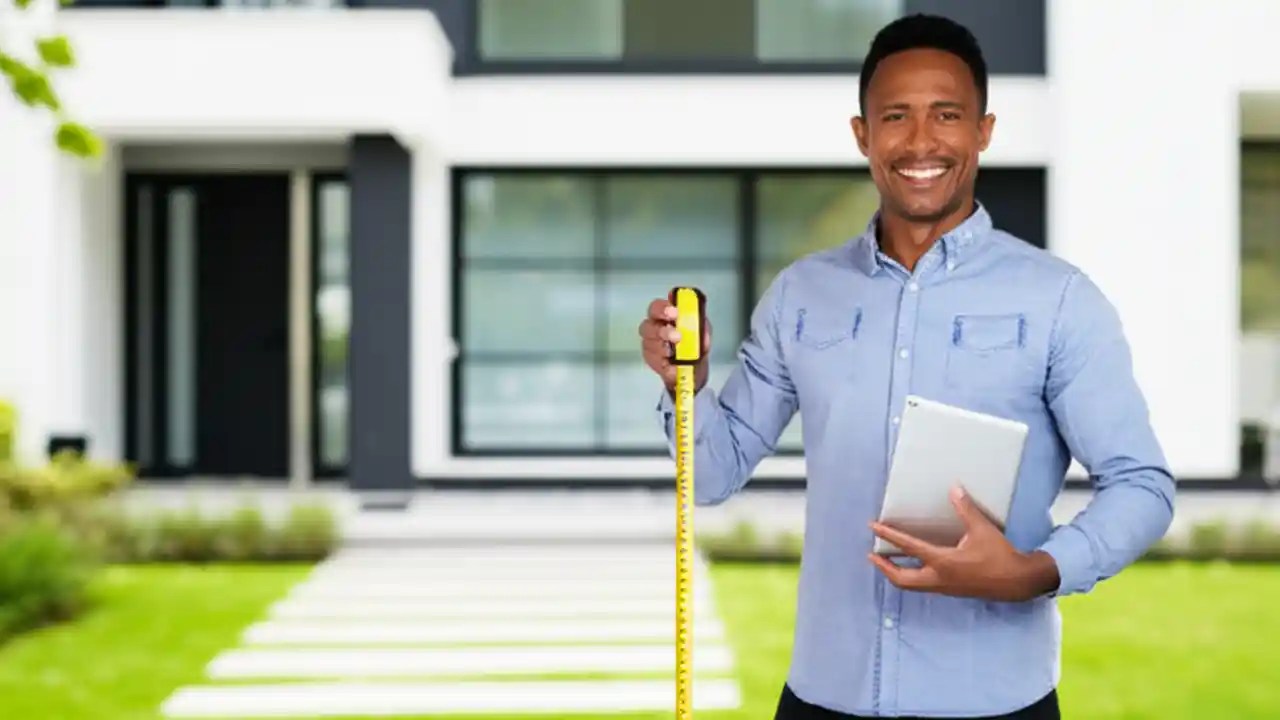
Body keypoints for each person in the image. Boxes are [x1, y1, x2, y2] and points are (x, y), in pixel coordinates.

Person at [638, 13, 1175, 720]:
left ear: (983, 131)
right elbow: (709, 476)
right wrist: (688, 384)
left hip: (993, 706)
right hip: (823, 699)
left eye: (946, 115)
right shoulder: (802, 295)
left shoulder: (1060, 300)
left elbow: (1141, 485)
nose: (921, 141)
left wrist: (1034, 572)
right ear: (863, 134)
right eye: (896, 116)